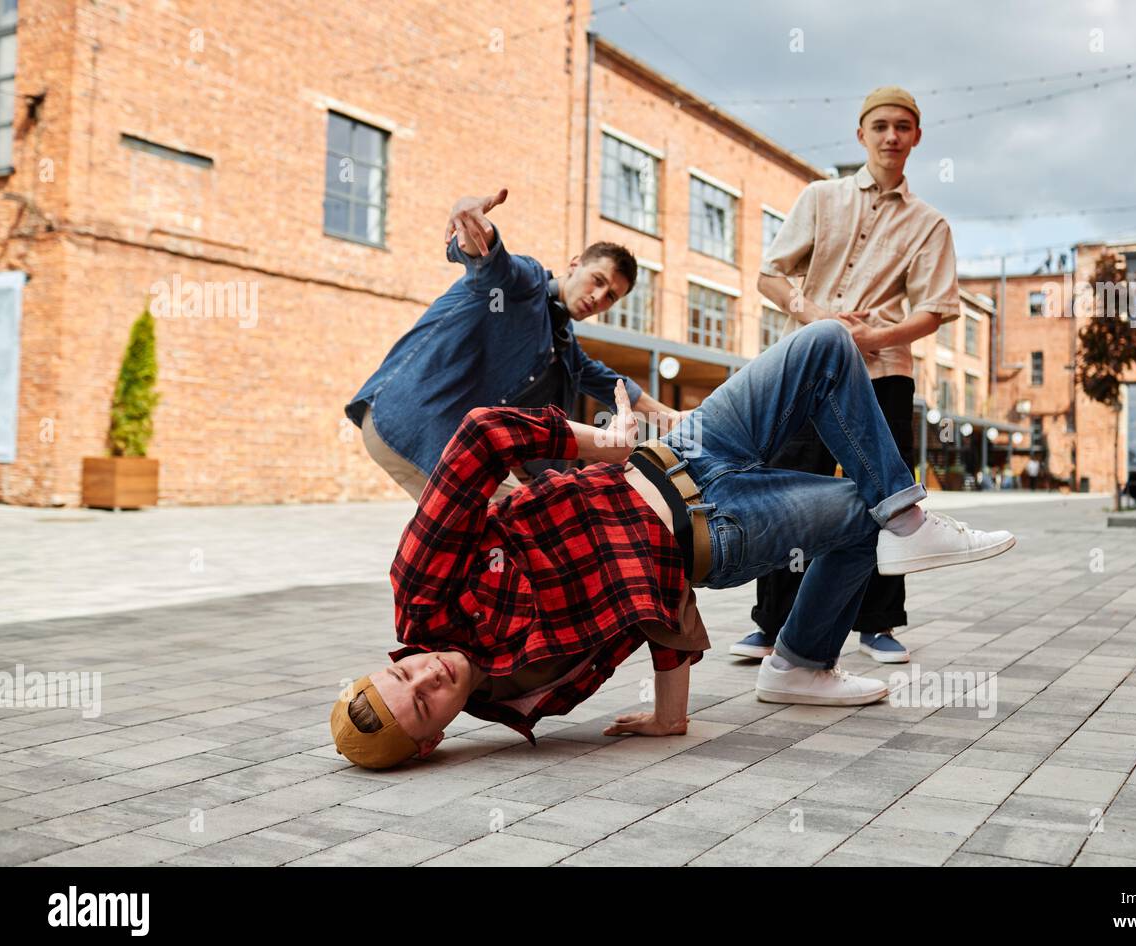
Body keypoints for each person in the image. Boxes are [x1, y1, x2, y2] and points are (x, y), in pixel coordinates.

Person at [330, 319, 1015, 770]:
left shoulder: (422, 590)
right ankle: (802, 660)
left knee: (826, 343)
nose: (426, 677)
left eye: (401, 674)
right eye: (421, 701)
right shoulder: (530, 695)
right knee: (858, 514)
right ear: (433, 740)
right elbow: (651, 603)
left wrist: (600, 443)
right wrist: (670, 716)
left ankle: (909, 521)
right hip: (714, 531)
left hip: (674, 451)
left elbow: (482, 435)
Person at [733, 85, 961, 668]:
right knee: (788, 488)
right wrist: (821, 324)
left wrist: (871, 339)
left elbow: (933, 310)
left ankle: (879, 622)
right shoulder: (819, 197)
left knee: (885, 493)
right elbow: (771, 276)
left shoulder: (931, 225)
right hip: (806, 370)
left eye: (903, 127)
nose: (891, 136)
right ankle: (771, 622)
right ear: (861, 134)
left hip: (884, 373)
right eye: (880, 125)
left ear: (916, 137)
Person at [344, 187, 682, 501]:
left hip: (447, 443)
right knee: (523, 527)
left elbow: (609, 383)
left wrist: (671, 418)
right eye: (598, 281)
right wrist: (474, 227)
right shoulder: (525, 284)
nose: (598, 297)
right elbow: (491, 263)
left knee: (525, 524)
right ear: (575, 264)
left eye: (610, 296)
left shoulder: (562, 343)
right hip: (415, 422)